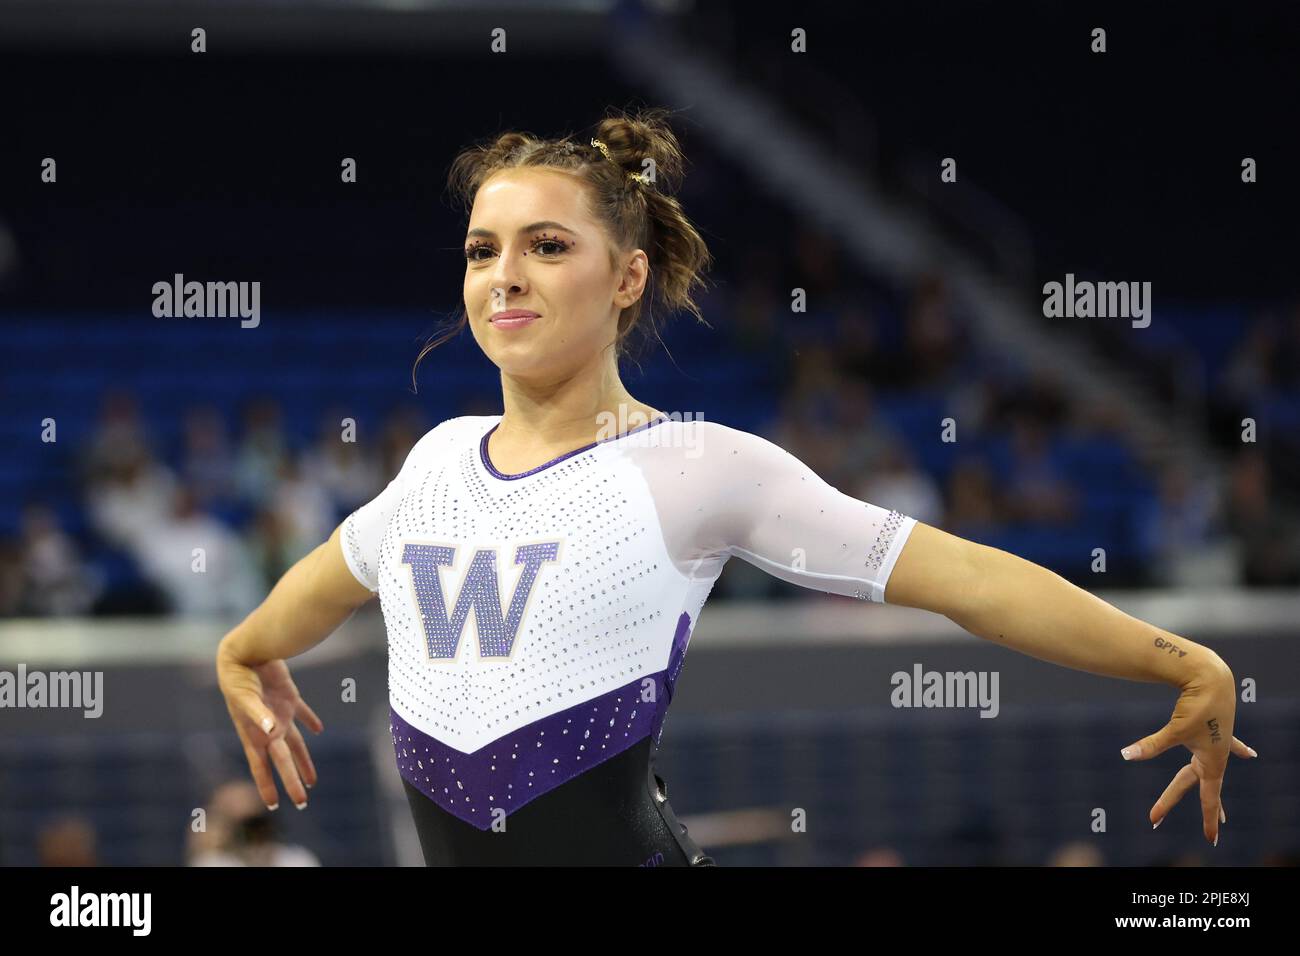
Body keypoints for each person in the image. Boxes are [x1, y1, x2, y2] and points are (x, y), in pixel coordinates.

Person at [216, 106, 1252, 866]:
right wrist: (243, 649)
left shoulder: (698, 466)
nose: (505, 274)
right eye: (483, 249)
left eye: (546, 246)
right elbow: (322, 582)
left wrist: (1174, 656)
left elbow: (961, 575)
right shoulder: (438, 458)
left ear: (625, 277)